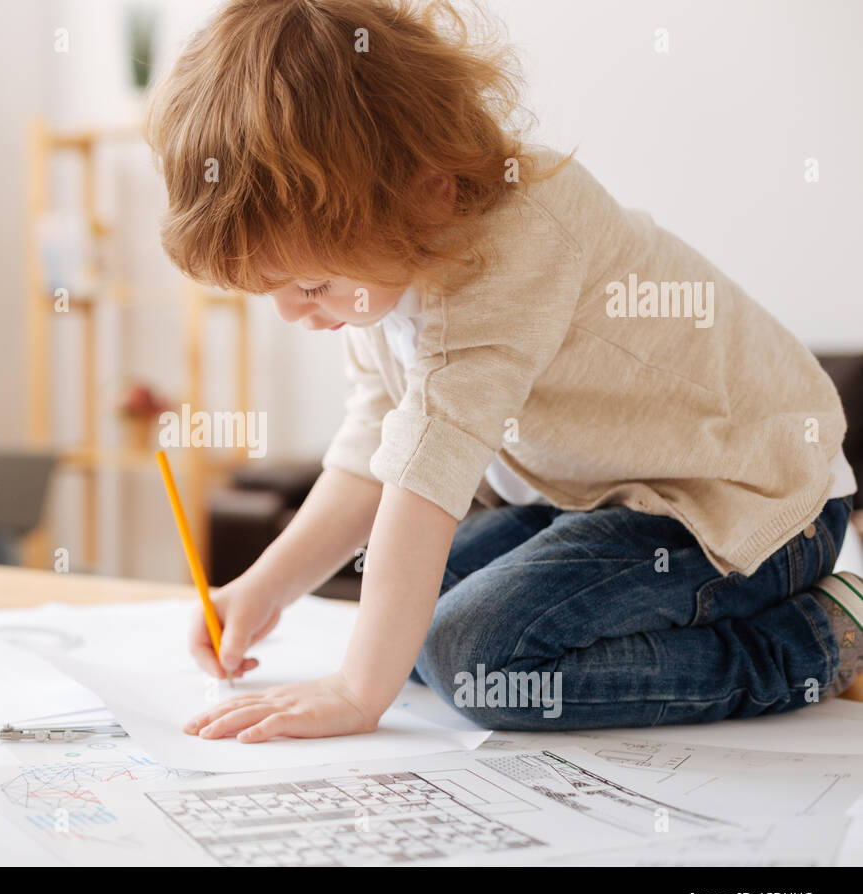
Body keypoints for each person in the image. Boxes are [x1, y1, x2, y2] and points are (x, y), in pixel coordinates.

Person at [141, 0, 862, 741]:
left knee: (478, 659)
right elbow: (377, 438)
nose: (295, 314)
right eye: (276, 293)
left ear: (428, 191)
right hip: (601, 500)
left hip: (746, 506)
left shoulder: (524, 236)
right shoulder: (385, 260)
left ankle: (809, 639)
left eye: (313, 287)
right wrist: (264, 586)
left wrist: (360, 694)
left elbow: (428, 469)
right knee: (415, 618)